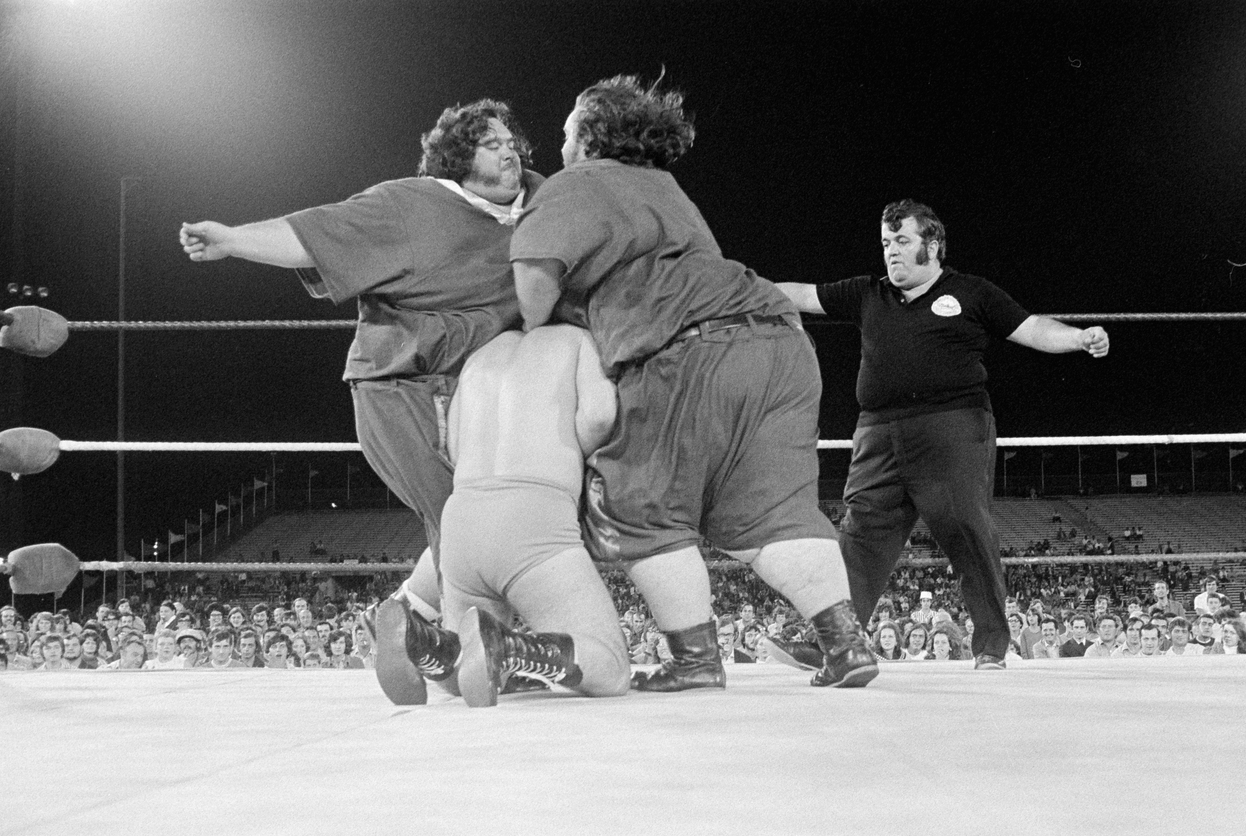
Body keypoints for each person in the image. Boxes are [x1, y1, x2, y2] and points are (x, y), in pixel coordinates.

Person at [509, 74, 877, 692]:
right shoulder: (664, 185)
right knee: (775, 512)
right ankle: (845, 644)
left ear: (592, 134)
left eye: (568, 127)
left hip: (687, 348)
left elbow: (533, 299)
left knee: (640, 506)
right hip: (779, 343)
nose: (560, 139)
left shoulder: (574, 182)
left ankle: (696, 659)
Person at [180, 97, 544, 644]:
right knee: (467, 520)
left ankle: (403, 615)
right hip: (406, 387)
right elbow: (315, 235)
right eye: (490, 145)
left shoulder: (542, 202)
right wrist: (232, 239)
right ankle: (477, 652)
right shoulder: (407, 205)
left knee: (493, 511)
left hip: (483, 390)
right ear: (455, 158)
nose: (509, 152)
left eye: (510, 141)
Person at [774, 200, 1108, 671]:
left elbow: (1031, 328)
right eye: (886, 243)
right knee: (859, 535)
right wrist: (734, 289)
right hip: (877, 432)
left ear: (931, 246)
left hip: (952, 425)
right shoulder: (867, 292)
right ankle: (836, 644)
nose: (891, 251)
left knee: (966, 528)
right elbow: (802, 295)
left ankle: (991, 646)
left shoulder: (971, 292)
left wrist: (1079, 338)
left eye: (902, 241)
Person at [375, 325, 632, 706]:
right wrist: (573, 450)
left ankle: (424, 640)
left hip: (462, 517)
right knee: (611, 669)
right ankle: (511, 647)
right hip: (533, 514)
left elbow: (453, 446)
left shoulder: (479, 354)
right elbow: (598, 417)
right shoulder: (576, 340)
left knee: (469, 668)